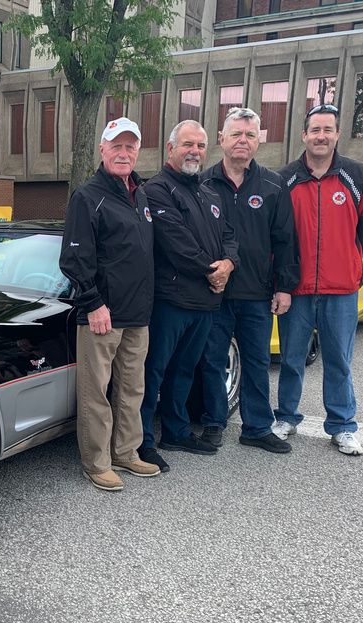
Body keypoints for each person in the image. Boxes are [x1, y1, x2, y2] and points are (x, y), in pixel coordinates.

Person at [274, 103, 363, 456]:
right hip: (298, 289)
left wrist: (346, 262)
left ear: (337, 134)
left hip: (341, 290)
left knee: (338, 360)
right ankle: (286, 417)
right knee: (291, 359)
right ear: (304, 135)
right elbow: (278, 234)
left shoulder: (357, 175)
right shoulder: (285, 178)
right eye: (314, 130)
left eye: (327, 130)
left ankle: (343, 425)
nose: (321, 136)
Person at [60, 117, 159, 491]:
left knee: (132, 389)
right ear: (103, 150)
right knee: (95, 393)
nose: (124, 152)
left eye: (130, 146)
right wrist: (94, 303)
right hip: (103, 315)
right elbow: (73, 259)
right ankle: (96, 461)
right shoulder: (88, 196)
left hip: (138, 314)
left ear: (137, 151)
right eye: (116, 145)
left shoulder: (140, 194)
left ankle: (126, 452)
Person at [198, 107, 300, 453]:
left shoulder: (273, 185)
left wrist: (285, 287)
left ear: (259, 141)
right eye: (237, 134)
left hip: (257, 293)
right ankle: (213, 422)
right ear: (222, 139)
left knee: (257, 361)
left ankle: (256, 426)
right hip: (214, 294)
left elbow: (286, 241)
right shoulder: (202, 183)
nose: (243, 140)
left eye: (250, 135)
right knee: (213, 359)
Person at [139, 120, 239, 464]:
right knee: (154, 370)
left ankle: (177, 432)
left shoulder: (209, 192)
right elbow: (176, 244)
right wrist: (213, 272)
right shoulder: (156, 190)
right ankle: (142, 442)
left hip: (206, 302)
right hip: (171, 302)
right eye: (187, 144)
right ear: (171, 149)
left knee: (185, 370)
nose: (194, 151)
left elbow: (229, 235)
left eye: (199, 145)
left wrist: (228, 264)